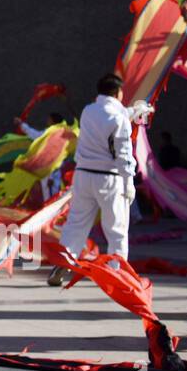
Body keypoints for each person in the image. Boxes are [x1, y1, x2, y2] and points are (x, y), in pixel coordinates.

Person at [48, 74, 135, 286]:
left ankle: (64, 261)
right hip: (109, 178)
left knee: (75, 225)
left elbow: (107, 115)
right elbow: (123, 152)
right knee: (116, 229)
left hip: (84, 175)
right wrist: (129, 181)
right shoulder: (120, 118)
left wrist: (130, 113)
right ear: (118, 93)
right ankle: (116, 273)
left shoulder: (88, 111)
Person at [13, 111, 66, 203]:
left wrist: (51, 177)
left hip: (51, 172)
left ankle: (54, 216)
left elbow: (55, 156)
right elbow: (35, 134)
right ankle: (53, 215)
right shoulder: (54, 133)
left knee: (52, 197)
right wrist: (22, 124)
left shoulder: (54, 134)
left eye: (49, 119)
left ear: (53, 121)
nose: (47, 121)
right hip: (50, 170)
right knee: (50, 197)